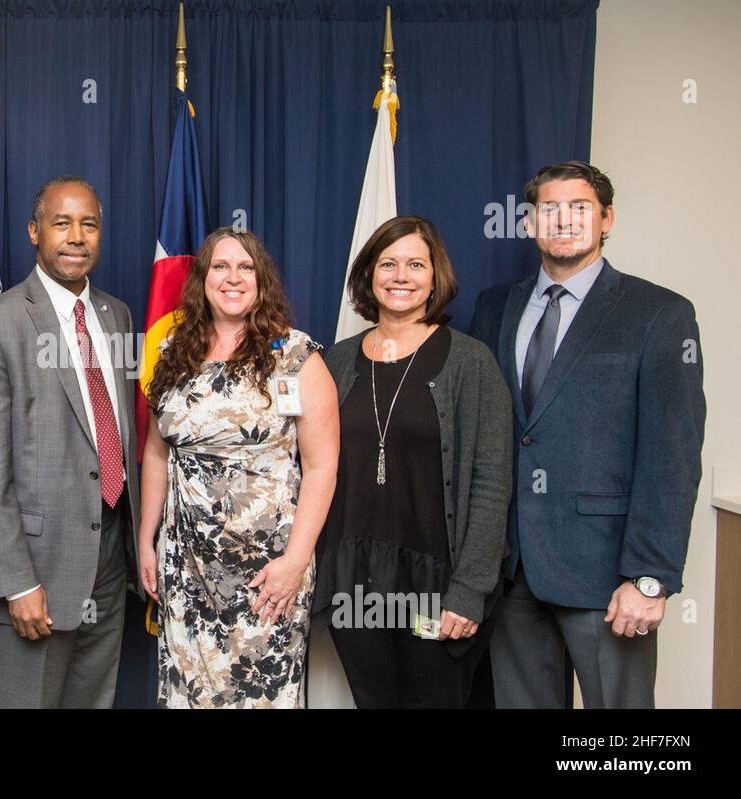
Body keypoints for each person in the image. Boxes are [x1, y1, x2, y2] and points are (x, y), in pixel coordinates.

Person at [470, 161, 706, 708]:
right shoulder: (494, 306)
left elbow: (672, 455)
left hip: (608, 576)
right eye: (549, 209)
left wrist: (650, 576)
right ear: (528, 223)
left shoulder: (660, 314)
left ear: (607, 220)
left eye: (579, 208)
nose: (564, 220)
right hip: (512, 569)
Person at [313, 216, 512, 708]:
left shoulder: (471, 362)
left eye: (416, 265)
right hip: (353, 579)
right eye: (388, 264)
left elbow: (491, 483)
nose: (401, 276)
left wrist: (469, 590)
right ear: (368, 274)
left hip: (434, 584)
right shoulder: (336, 361)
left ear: (435, 275)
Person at [137, 227, 338, 709]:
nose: (233, 278)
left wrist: (295, 562)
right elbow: (157, 452)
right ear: (202, 280)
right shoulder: (172, 351)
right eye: (221, 267)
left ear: (261, 279)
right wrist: (146, 538)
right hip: (186, 568)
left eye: (245, 267)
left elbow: (322, 467)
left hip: (267, 572)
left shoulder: (295, 355)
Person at [0, 176, 139, 708]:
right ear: (34, 231)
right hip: (35, 566)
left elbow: (116, 432)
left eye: (89, 224)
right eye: (62, 223)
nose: (76, 237)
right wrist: (17, 583)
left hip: (109, 558)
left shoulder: (117, 315)